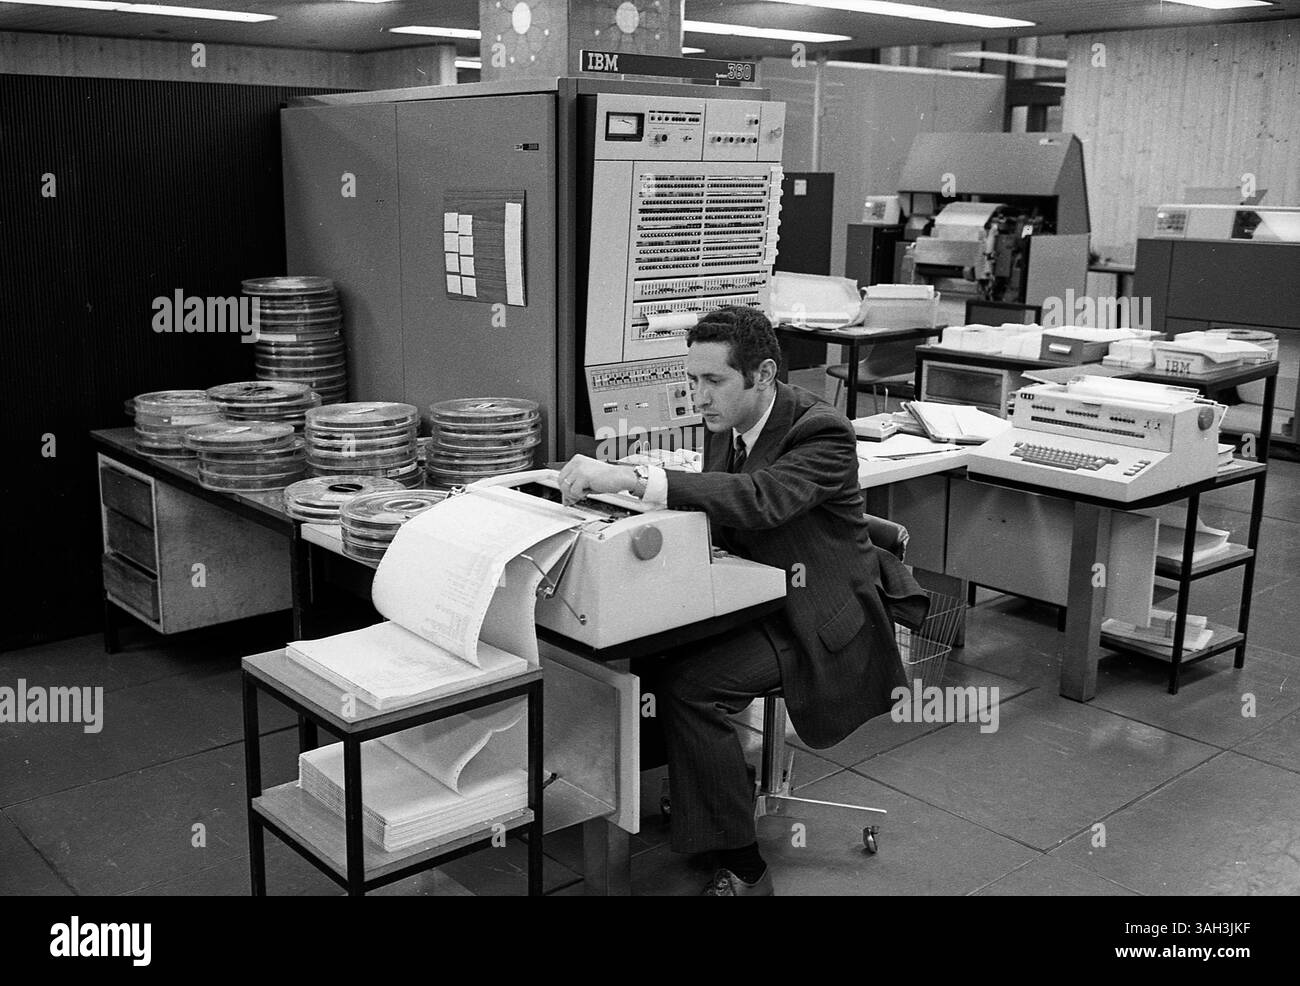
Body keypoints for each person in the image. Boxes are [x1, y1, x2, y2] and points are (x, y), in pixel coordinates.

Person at [557, 306, 928, 896]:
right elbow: (723, 507)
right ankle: (704, 791)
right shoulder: (730, 426)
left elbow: (759, 500)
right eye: (691, 379)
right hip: (758, 594)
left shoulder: (821, 430)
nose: (697, 397)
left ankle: (744, 865)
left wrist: (634, 479)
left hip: (820, 614)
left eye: (713, 381)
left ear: (763, 374)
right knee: (650, 656)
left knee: (693, 686)